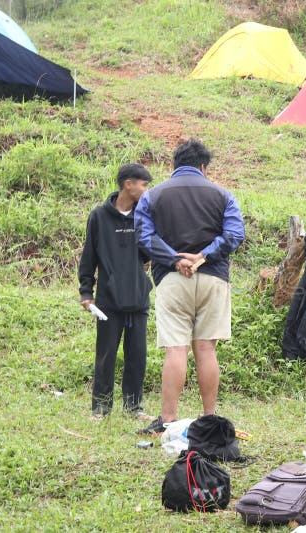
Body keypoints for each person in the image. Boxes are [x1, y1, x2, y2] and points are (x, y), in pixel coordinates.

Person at [134, 139, 245, 435]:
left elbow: (144, 236)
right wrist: (205, 254)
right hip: (213, 279)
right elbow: (235, 233)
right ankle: (209, 418)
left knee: (176, 350)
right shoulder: (223, 195)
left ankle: (168, 421)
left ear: (174, 165)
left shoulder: (153, 196)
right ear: (203, 166)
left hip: (172, 280)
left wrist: (174, 259)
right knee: (207, 349)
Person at [78, 163, 154, 421]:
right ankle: (100, 408)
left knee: (138, 356)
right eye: (143, 184)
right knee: (106, 355)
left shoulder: (144, 215)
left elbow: (147, 254)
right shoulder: (99, 216)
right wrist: (85, 291)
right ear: (128, 184)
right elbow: (89, 255)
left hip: (137, 298)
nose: (146, 190)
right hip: (108, 300)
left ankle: (134, 407)